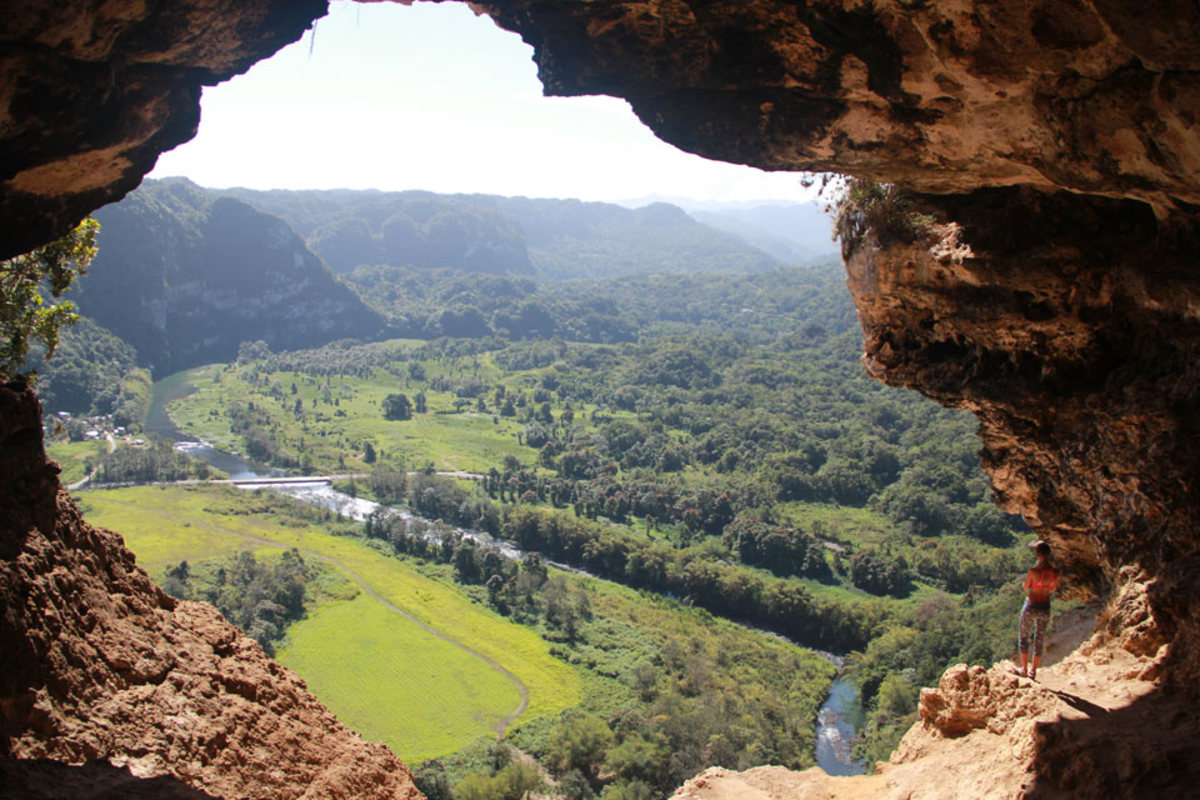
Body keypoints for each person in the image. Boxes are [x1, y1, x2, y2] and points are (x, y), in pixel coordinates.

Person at [1016, 540, 1058, 679]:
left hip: (1031, 604)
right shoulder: (1055, 572)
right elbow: (1052, 589)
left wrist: (1030, 582)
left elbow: (1026, 587)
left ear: (1039, 555)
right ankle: (1033, 670)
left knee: (1024, 636)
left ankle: (1024, 669)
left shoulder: (1034, 571)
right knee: (1039, 638)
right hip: (1045, 606)